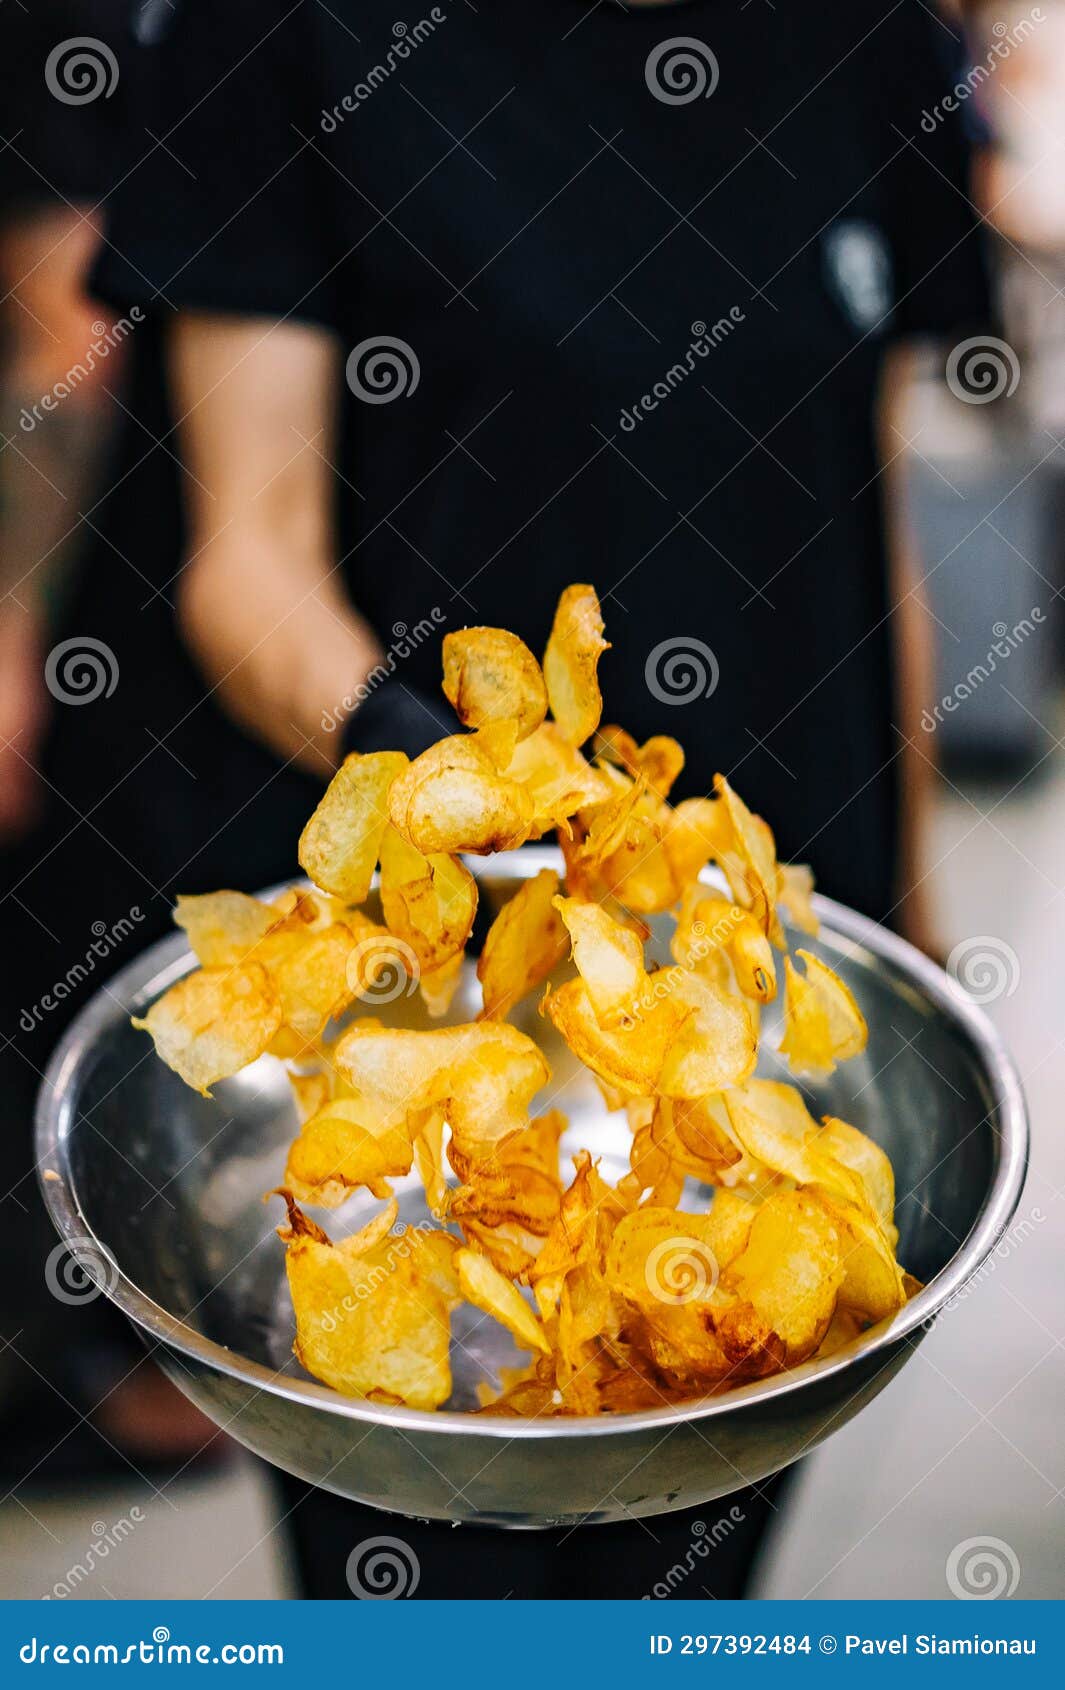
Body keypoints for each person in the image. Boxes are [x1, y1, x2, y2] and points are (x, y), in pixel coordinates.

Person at [2, 0, 991, 1595]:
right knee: (425, 1594)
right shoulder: (293, 39)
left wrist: (920, 937)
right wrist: (452, 779)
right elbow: (246, 561)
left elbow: (858, 523)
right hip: (418, 1009)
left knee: (693, 1567)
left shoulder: (867, 42)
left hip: (763, 962)